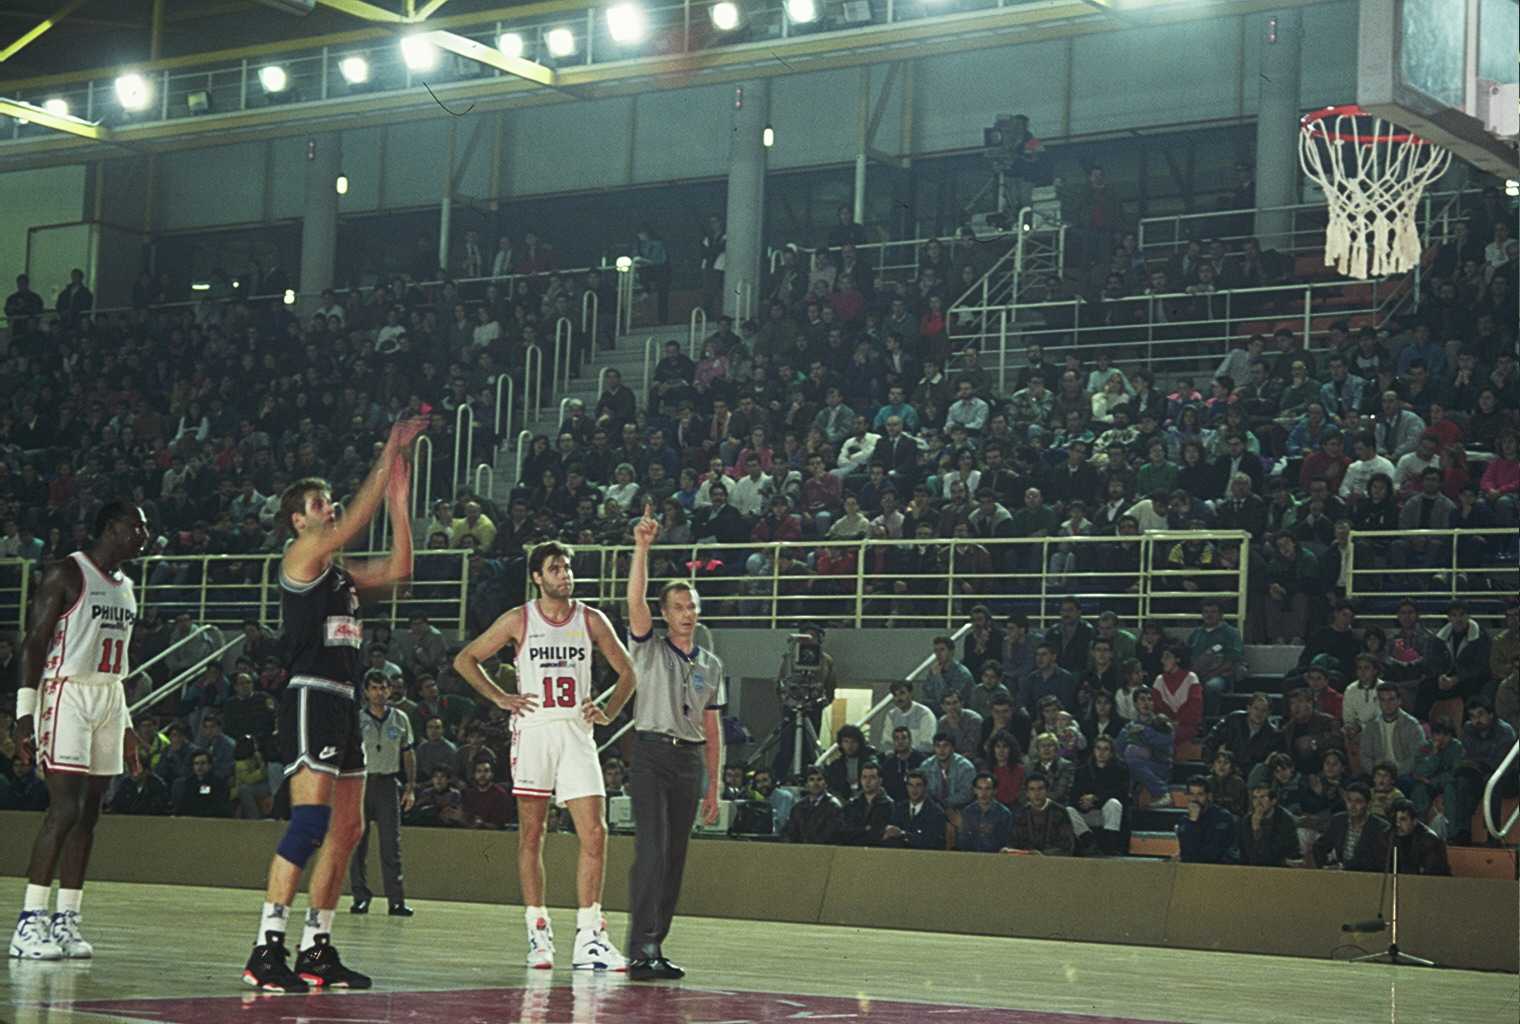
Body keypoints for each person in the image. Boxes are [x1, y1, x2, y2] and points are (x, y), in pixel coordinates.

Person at [242, 418, 423, 993]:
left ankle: (316, 947)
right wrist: (389, 452)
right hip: (311, 696)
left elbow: (400, 571)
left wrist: (398, 503)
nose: (330, 505)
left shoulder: (338, 575)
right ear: (299, 519)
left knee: (349, 828)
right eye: (319, 502)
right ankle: (265, 948)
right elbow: (355, 520)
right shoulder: (302, 553)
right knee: (312, 822)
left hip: (344, 702)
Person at [453, 539, 637, 971]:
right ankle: (538, 932)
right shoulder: (519, 619)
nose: (565, 575)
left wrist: (608, 709)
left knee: (595, 832)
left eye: (568, 568)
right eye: (555, 568)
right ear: (537, 576)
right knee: (532, 835)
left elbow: (629, 670)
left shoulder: (591, 619)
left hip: (576, 733)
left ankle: (590, 935)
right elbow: (466, 659)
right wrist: (500, 697)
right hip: (533, 732)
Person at [10, 501, 149, 961]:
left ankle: (66, 918)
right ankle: (30, 921)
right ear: (110, 528)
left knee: (90, 814)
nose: (143, 534)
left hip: (108, 698)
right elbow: (33, 644)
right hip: (66, 694)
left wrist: (126, 725)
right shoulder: (66, 573)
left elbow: (121, 667)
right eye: (136, 526)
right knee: (64, 809)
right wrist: (24, 715)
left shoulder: (128, 587)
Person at [624, 501, 725, 980]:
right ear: (664, 614)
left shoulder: (712, 664)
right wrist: (642, 548)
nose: (686, 614)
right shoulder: (647, 647)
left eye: (692, 607)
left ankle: (655, 946)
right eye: (678, 607)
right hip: (650, 754)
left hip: (689, 763)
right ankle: (640, 945)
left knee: (676, 857)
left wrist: (714, 784)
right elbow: (634, 603)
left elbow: (712, 726)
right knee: (654, 849)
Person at [348, 671, 417, 918]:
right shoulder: (356, 719)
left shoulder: (400, 718)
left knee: (391, 845)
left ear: (390, 690)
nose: (379, 692)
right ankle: (360, 897)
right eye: (374, 688)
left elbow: (408, 753)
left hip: (388, 783)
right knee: (358, 843)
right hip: (361, 783)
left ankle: (396, 901)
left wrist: (410, 787)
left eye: (383, 688)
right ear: (366, 691)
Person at [1312, 781, 1390, 871]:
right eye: (1349, 800)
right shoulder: (1338, 821)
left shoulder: (1380, 827)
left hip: (1368, 877)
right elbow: (1319, 846)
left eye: (1358, 801)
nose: (1352, 806)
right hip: (1340, 876)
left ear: (1368, 804)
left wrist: (1344, 867)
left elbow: (1375, 861)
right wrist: (1323, 866)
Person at [1236, 783, 1302, 867]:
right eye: (1255, 798)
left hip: (1281, 867)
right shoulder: (1247, 820)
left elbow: (1273, 854)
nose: (1258, 802)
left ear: (1273, 801)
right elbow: (1246, 853)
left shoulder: (1285, 820)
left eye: (1263, 797)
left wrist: (1257, 830)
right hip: (1254, 868)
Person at [1176, 776, 1237, 864]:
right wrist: (1193, 821)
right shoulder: (1184, 821)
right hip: (1191, 869)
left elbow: (1213, 853)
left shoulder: (1223, 817)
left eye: (1200, 794)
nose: (1195, 799)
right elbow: (1187, 851)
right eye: (1191, 794)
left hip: (1217, 869)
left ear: (1209, 796)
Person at [1390, 798, 1451, 875]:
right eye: (1395, 820)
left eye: (1403, 819)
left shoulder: (1430, 840)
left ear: (1414, 821)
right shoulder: (1391, 835)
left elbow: (1431, 874)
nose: (1397, 824)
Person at [958, 774, 1014, 853]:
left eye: (988, 789)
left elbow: (1006, 842)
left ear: (995, 790)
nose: (983, 793)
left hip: (996, 858)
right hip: (971, 858)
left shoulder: (1004, 813)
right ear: (974, 790)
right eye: (980, 788)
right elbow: (963, 842)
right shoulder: (968, 812)